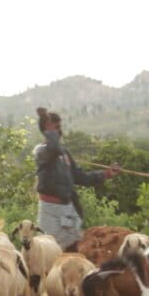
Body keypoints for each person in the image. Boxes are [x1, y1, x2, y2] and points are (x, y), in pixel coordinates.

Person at [34, 106, 117, 251]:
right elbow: (53, 148)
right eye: (56, 127)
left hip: (67, 210)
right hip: (51, 213)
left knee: (74, 250)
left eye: (59, 127)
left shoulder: (64, 153)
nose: (59, 131)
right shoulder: (40, 152)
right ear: (47, 131)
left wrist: (106, 174)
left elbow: (80, 177)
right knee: (52, 253)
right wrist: (49, 128)